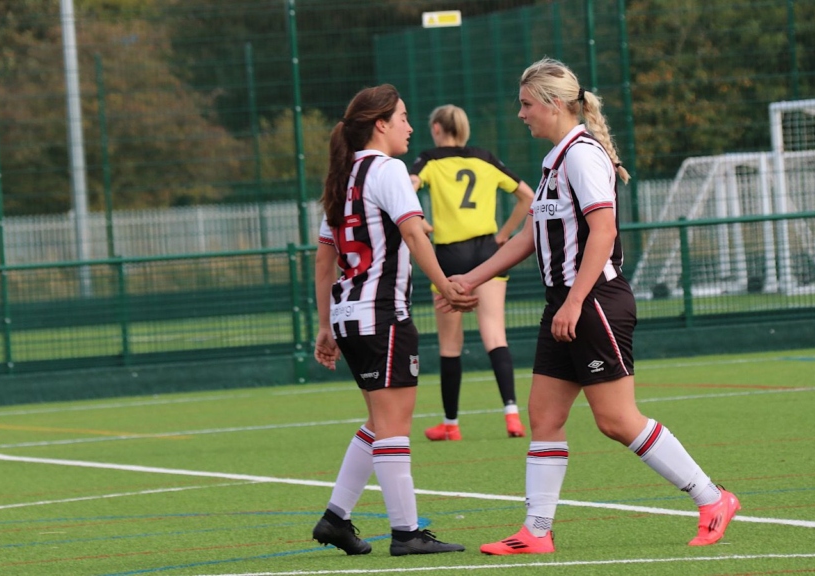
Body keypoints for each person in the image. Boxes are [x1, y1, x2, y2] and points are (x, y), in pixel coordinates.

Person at [440, 58, 740, 555]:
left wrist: (576, 302)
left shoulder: (581, 156)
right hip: (567, 303)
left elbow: (604, 230)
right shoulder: (556, 159)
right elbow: (530, 238)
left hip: (594, 301)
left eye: (527, 104)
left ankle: (713, 499)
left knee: (617, 420)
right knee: (545, 416)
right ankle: (537, 531)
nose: (521, 114)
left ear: (554, 104)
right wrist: (468, 279)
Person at [310, 84, 474, 557]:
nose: (409, 125)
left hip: (349, 314)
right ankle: (406, 532)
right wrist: (446, 286)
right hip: (382, 316)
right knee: (393, 425)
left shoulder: (343, 177)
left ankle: (335, 519)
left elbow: (325, 262)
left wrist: (325, 326)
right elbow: (412, 234)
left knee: (379, 420)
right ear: (380, 123)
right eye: (402, 116)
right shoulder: (388, 170)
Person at [408, 104, 535, 442]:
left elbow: (407, 185)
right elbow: (528, 196)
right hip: (487, 253)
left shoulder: (431, 159)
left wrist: (419, 220)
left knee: (451, 343)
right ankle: (512, 416)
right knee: (495, 333)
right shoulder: (484, 158)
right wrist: (505, 233)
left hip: (451, 254)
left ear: (436, 128)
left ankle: (451, 424)